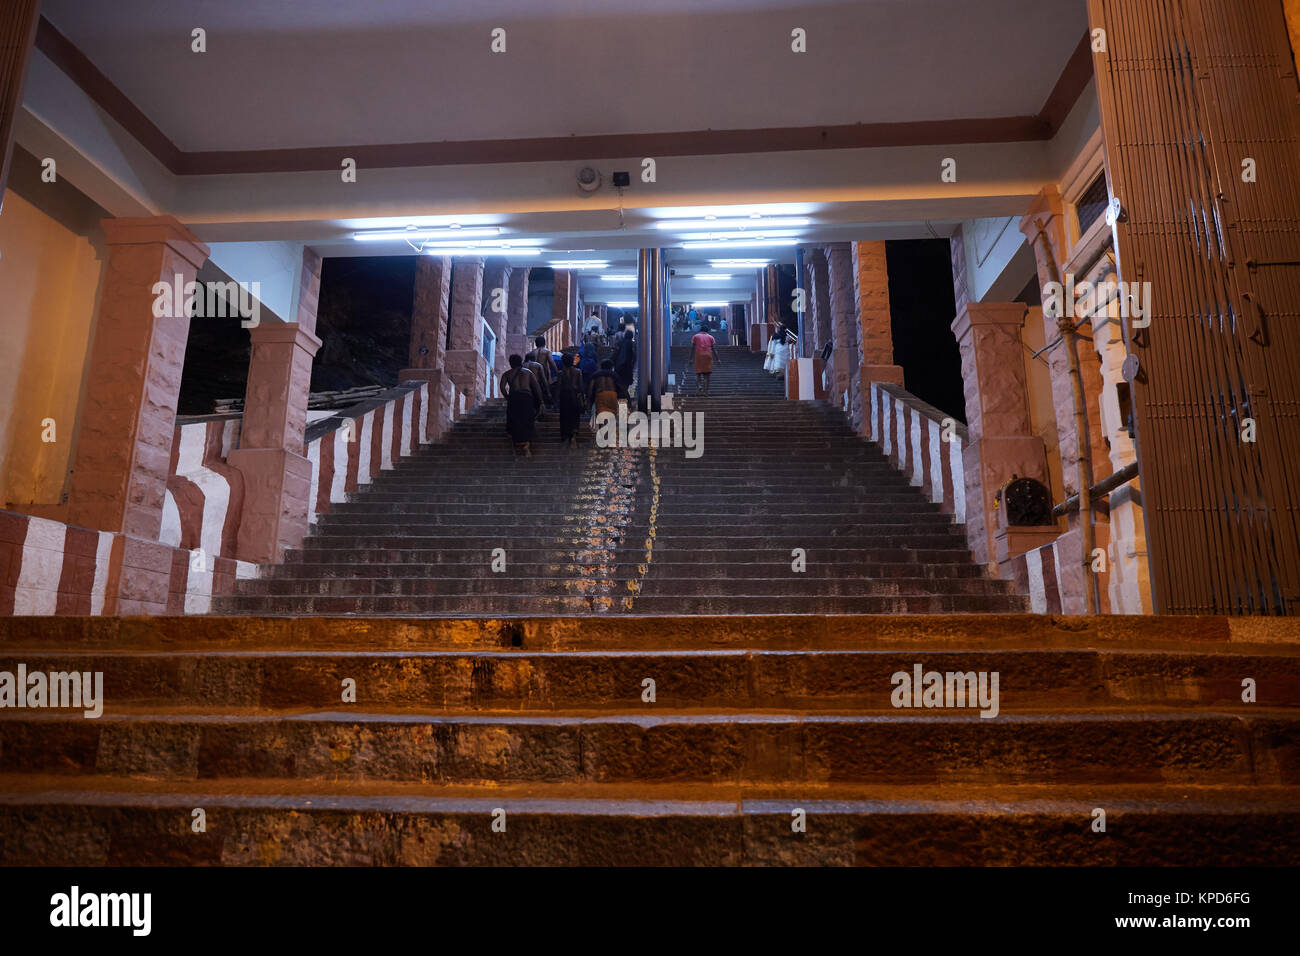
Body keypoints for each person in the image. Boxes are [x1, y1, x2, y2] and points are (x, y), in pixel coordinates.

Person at [500, 354, 544, 456]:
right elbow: (537, 387)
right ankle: (527, 446)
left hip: (514, 398)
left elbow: (502, 387)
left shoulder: (507, 374)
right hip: (527, 398)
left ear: (511, 363)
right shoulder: (528, 373)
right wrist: (541, 401)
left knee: (514, 420)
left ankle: (514, 446)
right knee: (527, 420)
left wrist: (507, 397)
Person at [556, 352, 586, 448]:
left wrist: (556, 400)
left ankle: (565, 436)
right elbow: (581, 386)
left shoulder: (561, 373)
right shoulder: (578, 372)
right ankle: (573, 434)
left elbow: (559, 387)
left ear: (563, 362)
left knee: (565, 416)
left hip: (564, 396)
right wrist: (583, 398)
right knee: (574, 415)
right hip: (575, 396)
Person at [588, 359, 622, 434]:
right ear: (611, 367)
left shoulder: (595, 374)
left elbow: (590, 388)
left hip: (600, 395)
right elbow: (620, 387)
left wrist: (589, 401)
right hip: (612, 395)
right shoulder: (614, 374)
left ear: (601, 366)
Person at [690, 324, 721, 396]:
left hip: (699, 356)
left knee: (698, 374)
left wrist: (690, 359)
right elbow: (714, 349)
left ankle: (699, 386)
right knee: (707, 376)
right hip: (708, 356)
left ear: (700, 330)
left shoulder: (695, 336)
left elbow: (692, 348)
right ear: (707, 331)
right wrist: (718, 359)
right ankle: (706, 392)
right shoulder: (711, 337)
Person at [613, 323, 637, 399]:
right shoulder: (632, 344)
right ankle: (625, 401)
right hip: (627, 367)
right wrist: (633, 365)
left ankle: (620, 400)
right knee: (625, 385)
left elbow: (615, 353)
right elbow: (634, 355)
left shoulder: (621, 343)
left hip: (619, 367)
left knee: (620, 384)